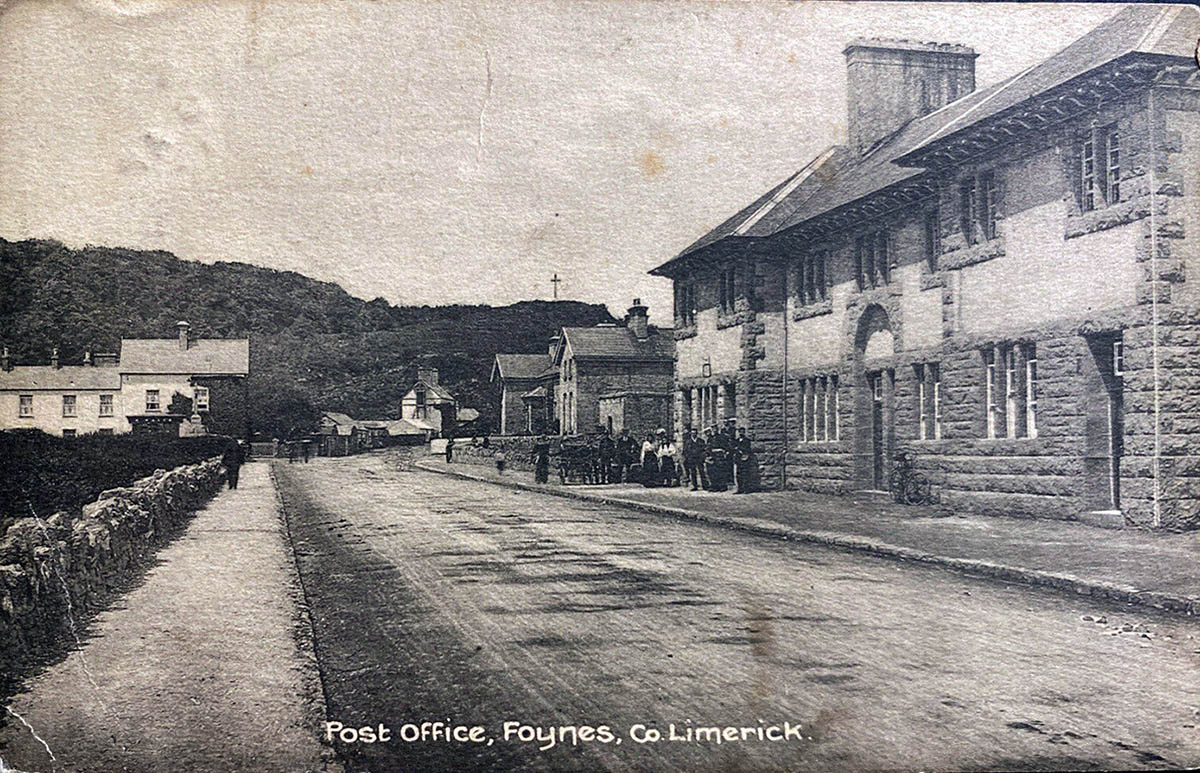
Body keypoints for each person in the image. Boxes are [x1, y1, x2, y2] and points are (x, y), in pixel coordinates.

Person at [734, 427, 754, 494]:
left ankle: (746, 489)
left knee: (745, 474)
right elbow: (733, 447)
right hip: (738, 459)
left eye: (742, 431)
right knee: (738, 474)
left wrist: (740, 449)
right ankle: (740, 489)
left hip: (745, 458)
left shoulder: (747, 440)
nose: (741, 433)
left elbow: (748, 449)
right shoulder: (736, 440)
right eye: (740, 431)